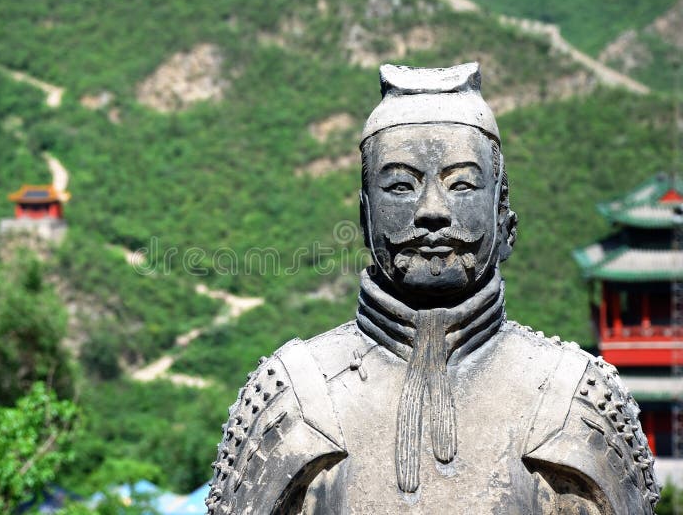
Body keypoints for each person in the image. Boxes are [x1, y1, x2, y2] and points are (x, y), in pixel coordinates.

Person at [206, 63, 659, 514]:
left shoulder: (577, 397)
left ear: (504, 216)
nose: (432, 211)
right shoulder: (293, 395)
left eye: (461, 184)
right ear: (364, 217)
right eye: (400, 186)